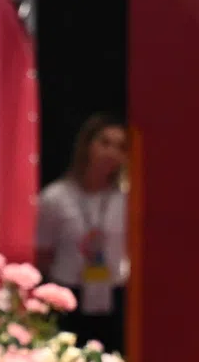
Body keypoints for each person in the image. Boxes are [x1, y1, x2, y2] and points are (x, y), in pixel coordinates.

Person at [35, 114, 130, 353]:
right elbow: (43, 254)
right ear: (87, 145)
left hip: (114, 295)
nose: (111, 152)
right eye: (104, 143)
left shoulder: (127, 198)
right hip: (69, 294)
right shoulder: (55, 197)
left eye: (120, 147)